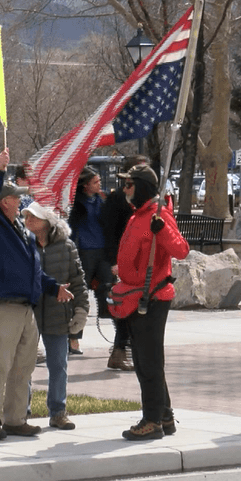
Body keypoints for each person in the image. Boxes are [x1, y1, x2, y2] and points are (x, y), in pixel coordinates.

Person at [0, 147, 73, 441]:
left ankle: (15, 420)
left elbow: (33, 271)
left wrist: (53, 287)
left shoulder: (23, 232)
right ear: (4, 201)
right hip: (1, 307)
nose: (21, 201)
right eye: (16, 197)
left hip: (25, 309)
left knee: (23, 367)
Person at [112, 164, 189, 440]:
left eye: (129, 184)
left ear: (142, 187)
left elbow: (181, 250)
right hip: (135, 294)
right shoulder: (138, 214)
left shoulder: (159, 214)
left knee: (149, 362)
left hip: (152, 296)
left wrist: (163, 230)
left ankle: (152, 421)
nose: (124, 189)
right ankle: (164, 415)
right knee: (145, 359)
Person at [22, 202, 88, 430]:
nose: (28, 221)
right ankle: (21, 411)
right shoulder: (23, 244)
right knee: (24, 365)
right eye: (26, 217)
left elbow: (78, 280)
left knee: (59, 364)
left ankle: (58, 412)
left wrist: (81, 309)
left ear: (47, 222)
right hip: (28, 314)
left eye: (34, 217)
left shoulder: (66, 246)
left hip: (58, 313)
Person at [99, 155, 151, 371]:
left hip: (138, 264)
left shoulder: (142, 201)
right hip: (121, 262)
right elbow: (109, 232)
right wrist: (113, 262)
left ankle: (124, 350)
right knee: (125, 308)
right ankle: (120, 350)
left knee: (135, 309)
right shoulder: (117, 199)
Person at [67, 166, 113, 357]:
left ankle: (120, 340)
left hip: (103, 253)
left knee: (110, 292)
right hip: (84, 252)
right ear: (85, 185)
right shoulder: (75, 204)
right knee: (80, 296)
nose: (99, 184)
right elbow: (70, 229)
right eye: (95, 182)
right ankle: (73, 338)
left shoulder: (103, 200)